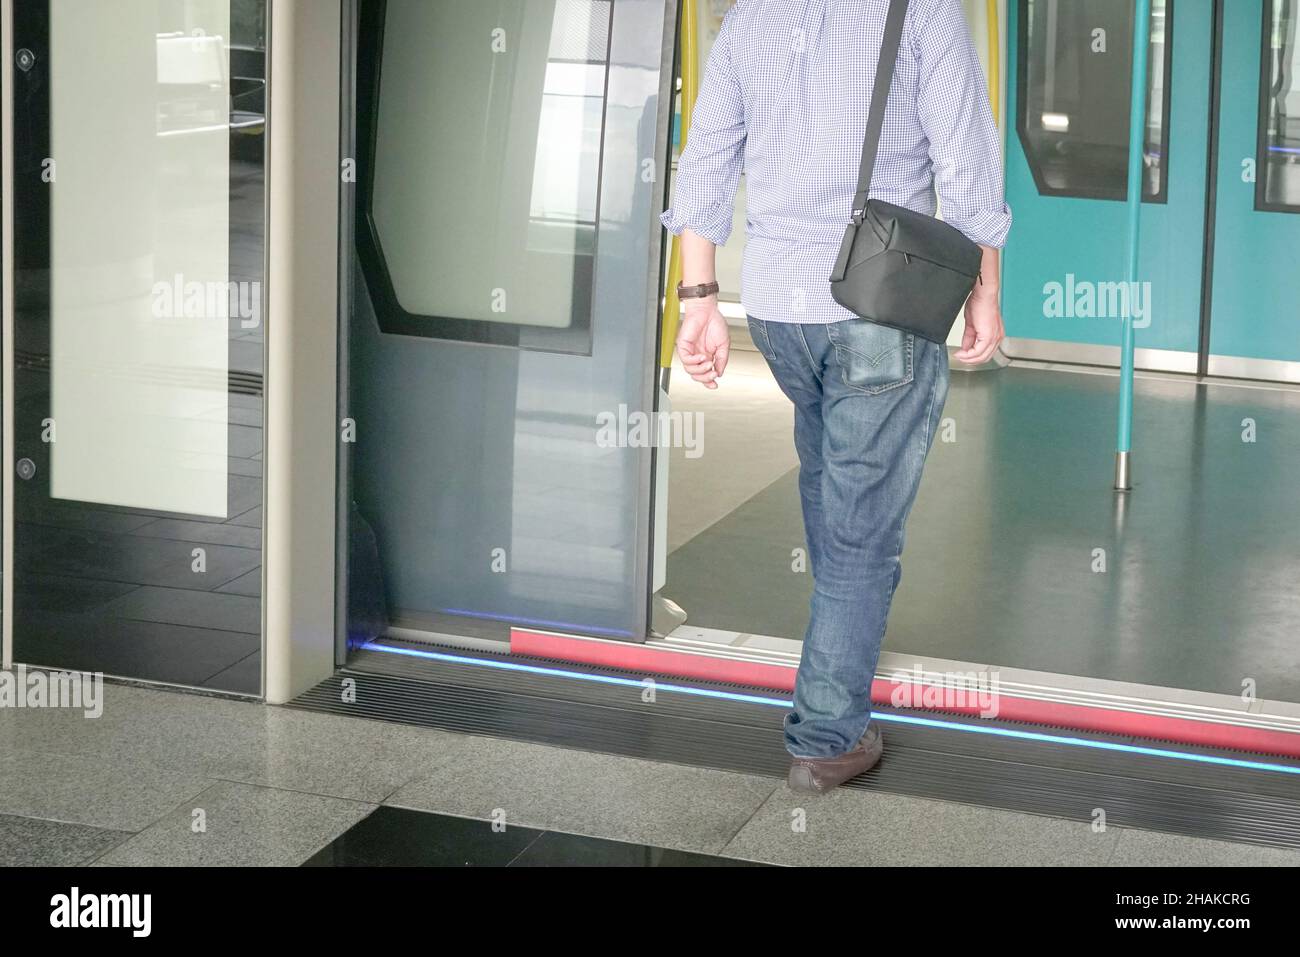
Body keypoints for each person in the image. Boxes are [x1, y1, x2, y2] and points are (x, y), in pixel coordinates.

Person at [660, 0, 1011, 793]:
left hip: (781, 310)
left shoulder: (753, 16)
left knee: (831, 485)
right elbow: (966, 164)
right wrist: (985, 290)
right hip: (882, 303)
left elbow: (706, 156)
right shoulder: (926, 12)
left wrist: (699, 299)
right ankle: (827, 734)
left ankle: (836, 642)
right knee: (860, 529)